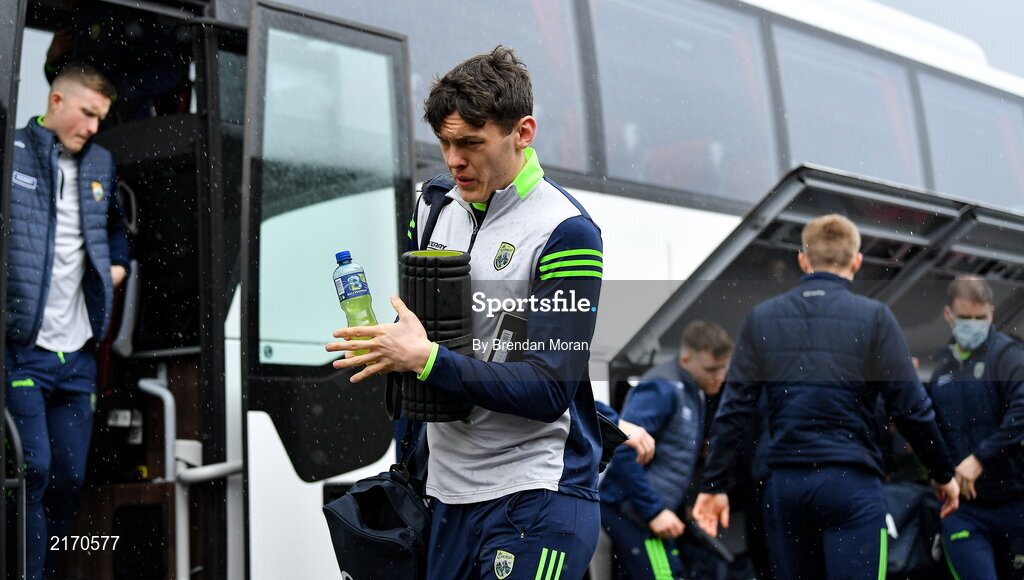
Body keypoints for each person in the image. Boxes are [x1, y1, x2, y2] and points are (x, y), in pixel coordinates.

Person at [327, 46, 604, 580]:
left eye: (471, 144)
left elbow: (549, 389)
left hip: (535, 499)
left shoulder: (567, 230)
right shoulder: (432, 205)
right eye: (445, 143)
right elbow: (434, 344)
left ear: (523, 132)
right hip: (445, 498)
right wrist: (391, 350)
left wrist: (426, 360)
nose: (454, 160)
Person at [692, 214, 959, 580]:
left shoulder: (762, 318)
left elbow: (733, 409)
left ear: (804, 260)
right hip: (851, 482)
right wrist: (943, 473)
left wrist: (714, 484)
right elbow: (910, 406)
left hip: (785, 485)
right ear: (856, 261)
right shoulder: (875, 318)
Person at [6, 63, 129, 580]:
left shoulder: (101, 164)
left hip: (77, 355)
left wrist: (116, 269)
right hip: (22, 349)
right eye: (87, 113)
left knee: (68, 479)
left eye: (101, 118)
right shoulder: (12, 149)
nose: (93, 127)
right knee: (30, 470)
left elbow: (119, 236)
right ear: (56, 101)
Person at [599, 321, 732, 579]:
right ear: (685, 360)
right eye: (711, 369)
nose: (720, 376)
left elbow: (672, 457)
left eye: (724, 367)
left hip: (650, 514)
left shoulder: (694, 390)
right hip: (632, 513)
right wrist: (654, 512)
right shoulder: (662, 387)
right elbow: (625, 450)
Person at [927, 277, 1024, 579]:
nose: (974, 324)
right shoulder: (941, 372)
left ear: (991, 313)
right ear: (949, 315)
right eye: (966, 318)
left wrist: (980, 458)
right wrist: (938, 472)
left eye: (980, 318)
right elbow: (933, 433)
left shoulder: (1008, 356)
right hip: (964, 510)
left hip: (1015, 502)